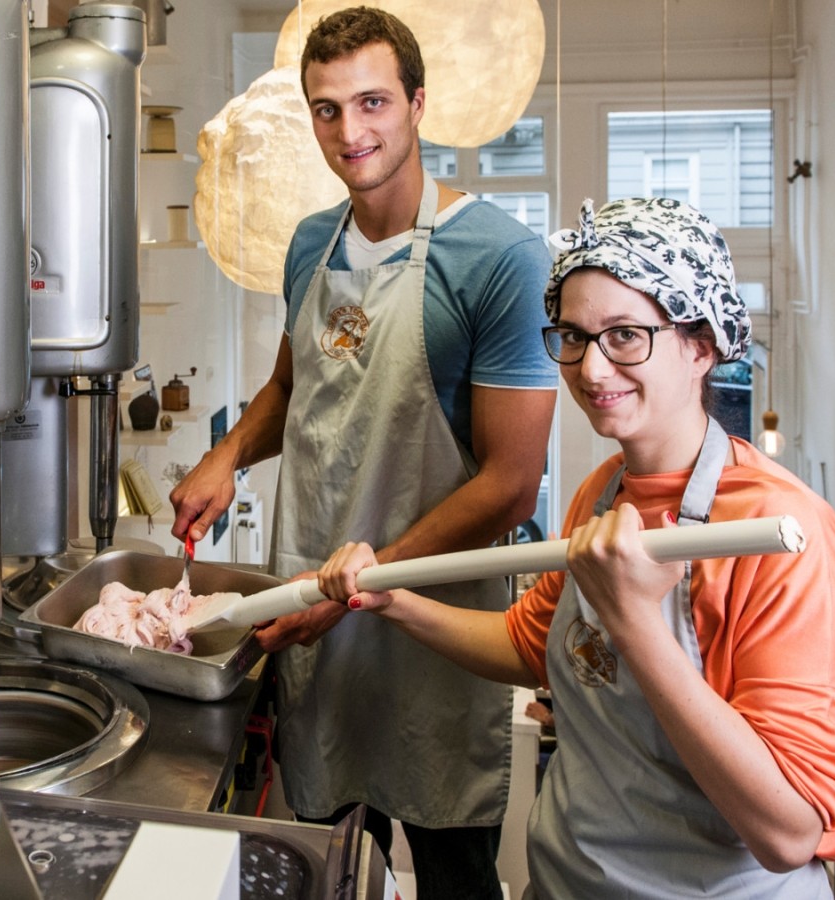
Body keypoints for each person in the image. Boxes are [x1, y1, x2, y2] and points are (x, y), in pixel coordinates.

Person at [318, 197, 835, 897]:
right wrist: (394, 601)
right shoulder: (605, 494)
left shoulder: (786, 537)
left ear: (700, 345)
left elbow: (789, 832)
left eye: (625, 336)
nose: (592, 370)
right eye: (574, 337)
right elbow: (533, 644)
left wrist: (638, 621)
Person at [168, 7, 555, 896]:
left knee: (454, 872)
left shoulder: (501, 258)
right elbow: (293, 385)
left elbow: (508, 484)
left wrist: (360, 589)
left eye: (373, 102)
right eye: (328, 109)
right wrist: (227, 456)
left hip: (434, 630)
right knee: (322, 870)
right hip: (312, 602)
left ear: (419, 104)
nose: (352, 131)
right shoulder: (311, 243)